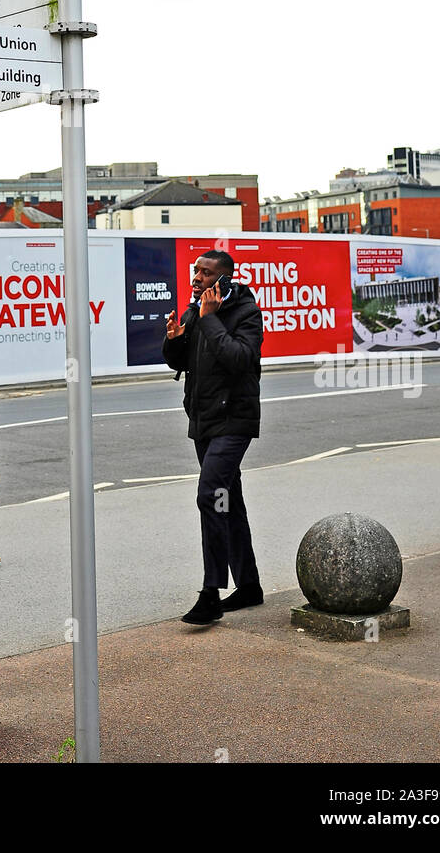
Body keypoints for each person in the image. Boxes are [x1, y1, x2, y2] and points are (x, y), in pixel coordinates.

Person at [163, 249, 264, 626]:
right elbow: (180, 362)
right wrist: (174, 339)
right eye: (195, 271)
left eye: (205, 273)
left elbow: (240, 359)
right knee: (228, 499)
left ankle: (211, 592)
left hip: (234, 420)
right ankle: (249, 585)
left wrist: (209, 319)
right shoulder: (194, 311)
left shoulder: (246, 313)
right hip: (203, 420)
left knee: (210, 494)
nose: (196, 278)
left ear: (223, 280)